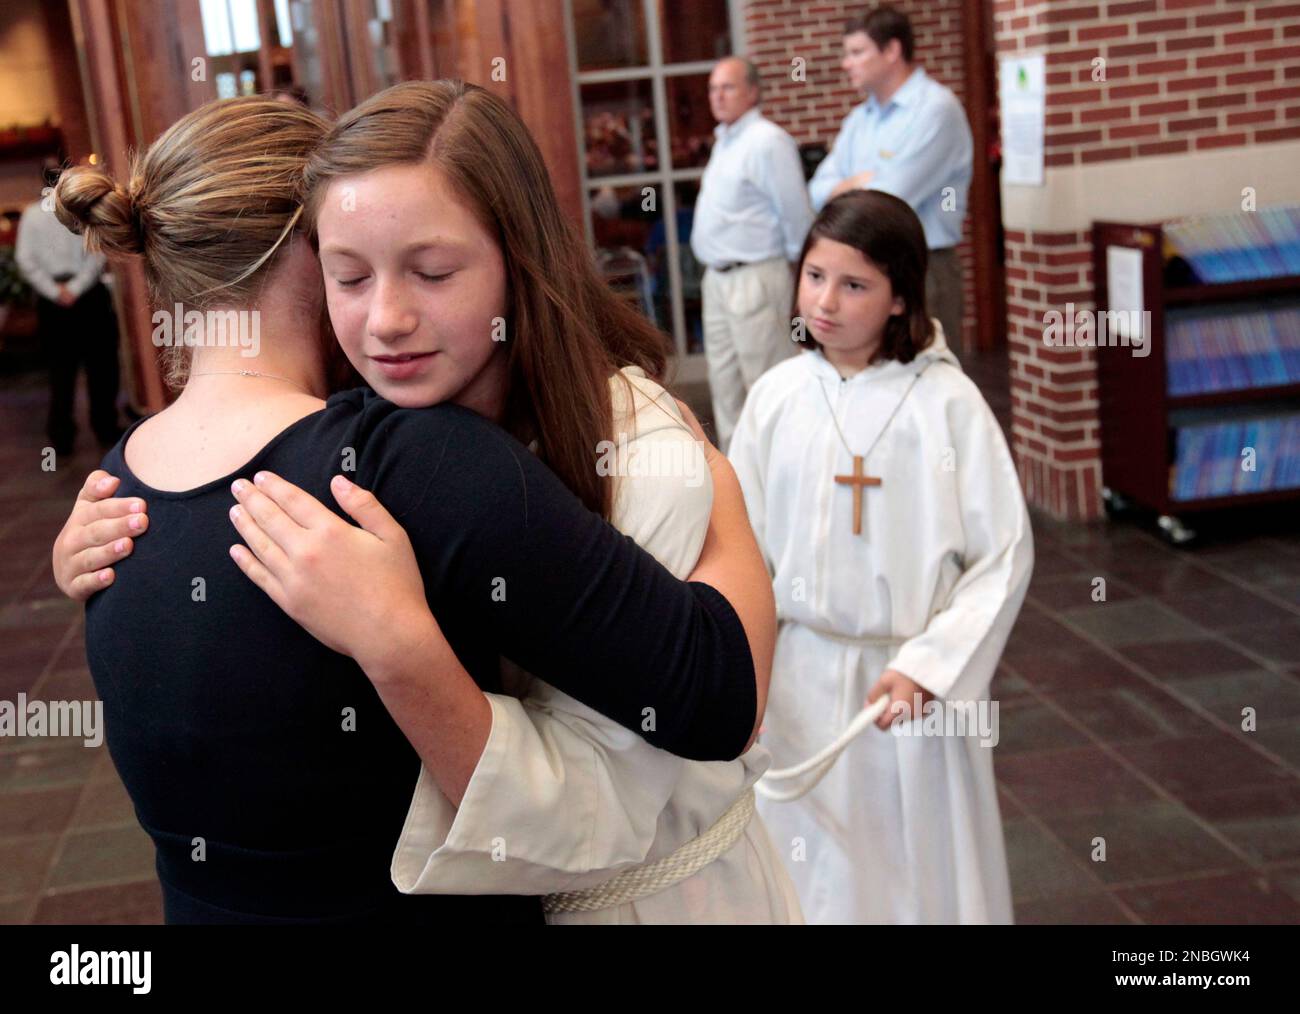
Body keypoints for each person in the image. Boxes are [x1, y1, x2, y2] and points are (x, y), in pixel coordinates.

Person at [53, 84, 799, 923]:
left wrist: (718, 494)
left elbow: (709, 701)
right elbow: (707, 700)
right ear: (309, 255)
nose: (386, 319)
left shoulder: (125, 478)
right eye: (350, 274)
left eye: (431, 269)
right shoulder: (402, 454)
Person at [729, 189, 1033, 923]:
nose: (825, 301)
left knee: (914, 872)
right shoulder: (776, 397)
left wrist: (930, 667)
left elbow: (1002, 557)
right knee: (807, 871)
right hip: (798, 675)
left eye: (855, 284)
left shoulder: (947, 406)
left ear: (901, 297)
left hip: (906, 689)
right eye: (814, 275)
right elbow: (738, 550)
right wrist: (743, 672)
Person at [808, 6, 973, 356]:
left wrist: (849, 187)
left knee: (926, 379)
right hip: (862, 268)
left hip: (921, 268)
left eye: (856, 52)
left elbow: (889, 199)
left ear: (892, 51)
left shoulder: (936, 109)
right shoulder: (859, 118)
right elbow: (817, 189)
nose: (845, 63)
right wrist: (861, 184)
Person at [691, 56, 812, 451]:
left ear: (753, 91)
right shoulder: (726, 140)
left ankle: (780, 477)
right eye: (712, 88)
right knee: (725, 390)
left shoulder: (767, 140)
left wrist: (802, 278)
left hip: (756, 277)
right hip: (718, 280)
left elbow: (796, 214)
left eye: (728, 87)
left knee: (766, 385)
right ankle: (739, 492)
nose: (718, 96)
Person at [15, 158, 122, 456]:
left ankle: (67, 437)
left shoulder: (36, 214)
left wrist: (58, 291)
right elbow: (98, 249)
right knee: (91, 368)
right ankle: (100, 428)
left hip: (63, 301)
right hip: (83, 297)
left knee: (70, 371)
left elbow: (26, 260)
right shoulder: (73, 210)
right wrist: (71, 290)